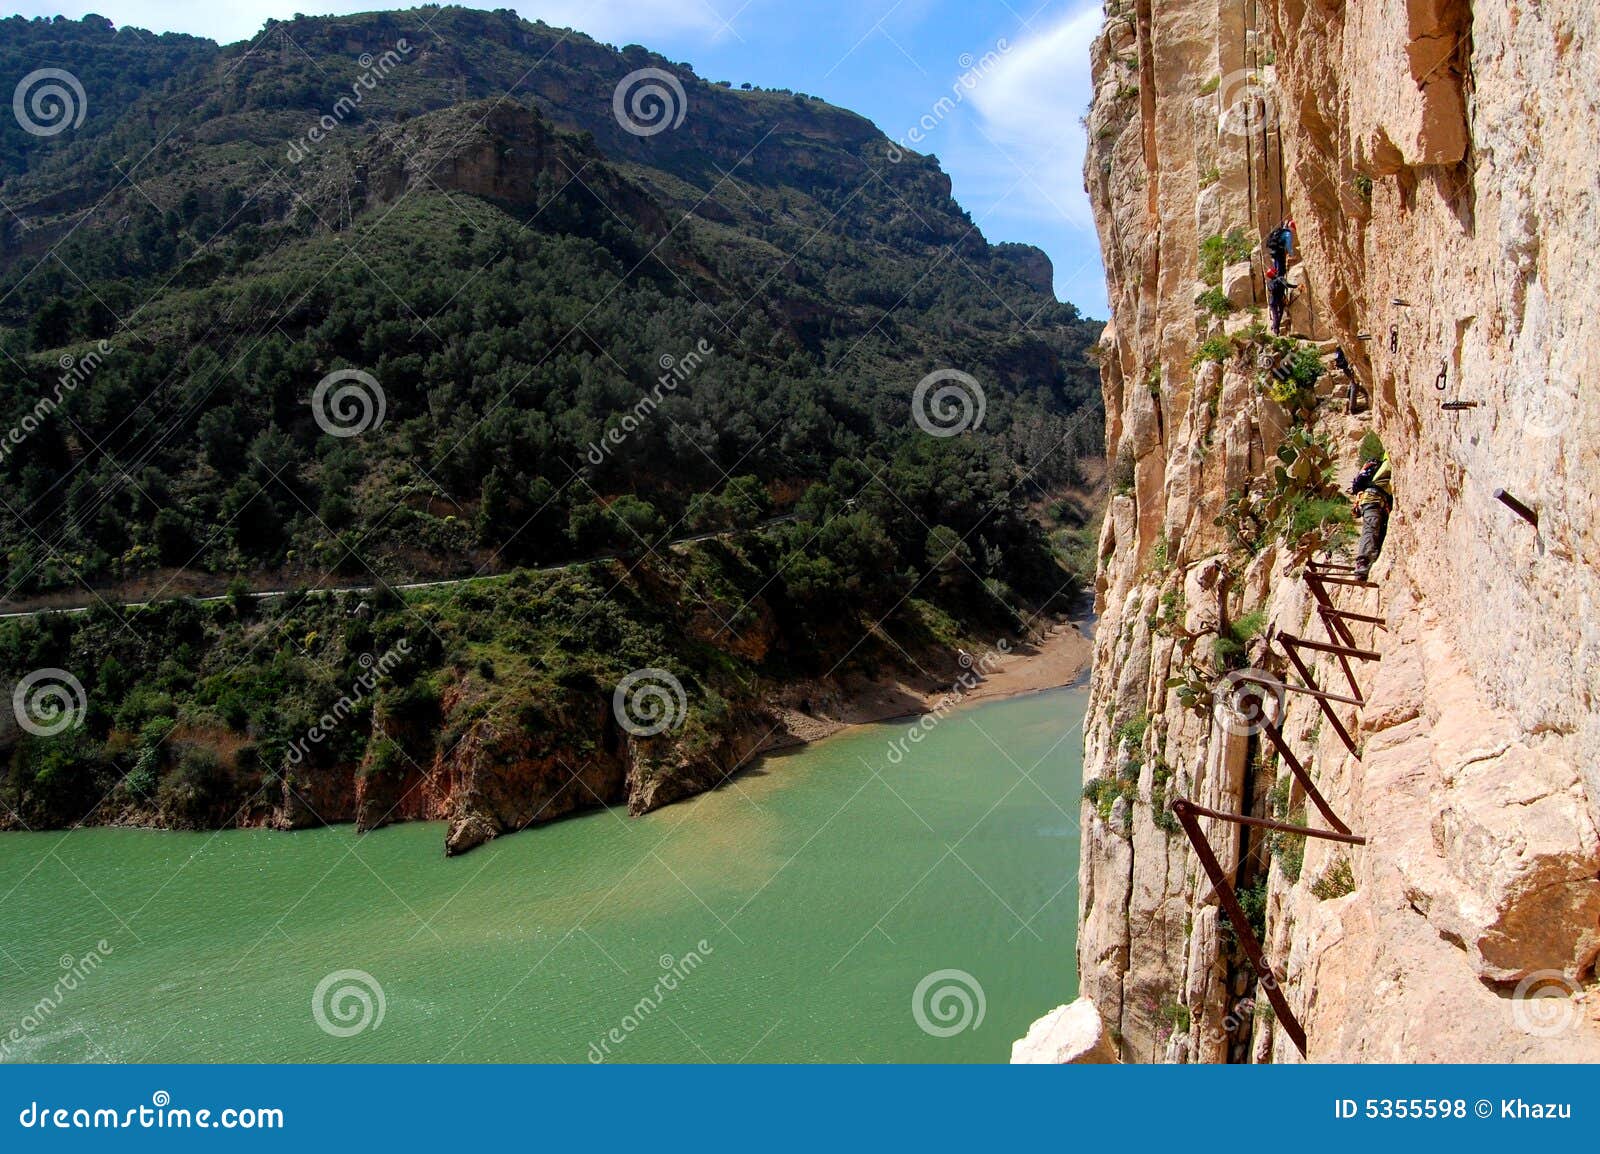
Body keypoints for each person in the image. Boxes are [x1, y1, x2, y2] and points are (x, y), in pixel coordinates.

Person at [1349, 454, 1392, 582]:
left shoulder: (1379, 470)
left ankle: (1371, 561)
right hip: (1373, 501)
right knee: (1371, 530)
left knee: (1378, 531)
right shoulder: (1387, 465)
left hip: (1373, 501)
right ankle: (1363, 563)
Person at [1267, 265, 1289, 335]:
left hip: (1277, 300)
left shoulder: (1275, 281)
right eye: (1275, 273)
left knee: (1279, 313)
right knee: (1276, 314)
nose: (1276, 273)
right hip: (1275, 300)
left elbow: (1286, 285)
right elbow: (1273, 289)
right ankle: (1276, 329)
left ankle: (1275, 326)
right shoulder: (1273, 282)